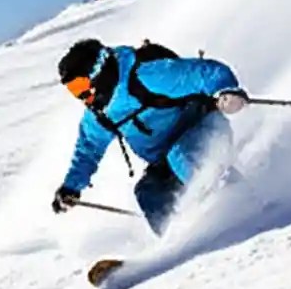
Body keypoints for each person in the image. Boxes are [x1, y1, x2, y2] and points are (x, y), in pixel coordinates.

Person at [51, 38, 249, 235]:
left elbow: (204, 72)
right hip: (165, 159)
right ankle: (179, 238)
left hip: (203, 128)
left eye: (81, 86)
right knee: (148, 193)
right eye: (73, 90)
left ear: (97, 72)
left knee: (183, 157)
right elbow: (88, 150)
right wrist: (71, 186)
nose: (81, 97)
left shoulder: (146, 76)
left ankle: (240, 202)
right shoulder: (99, 114)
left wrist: (226, 91)